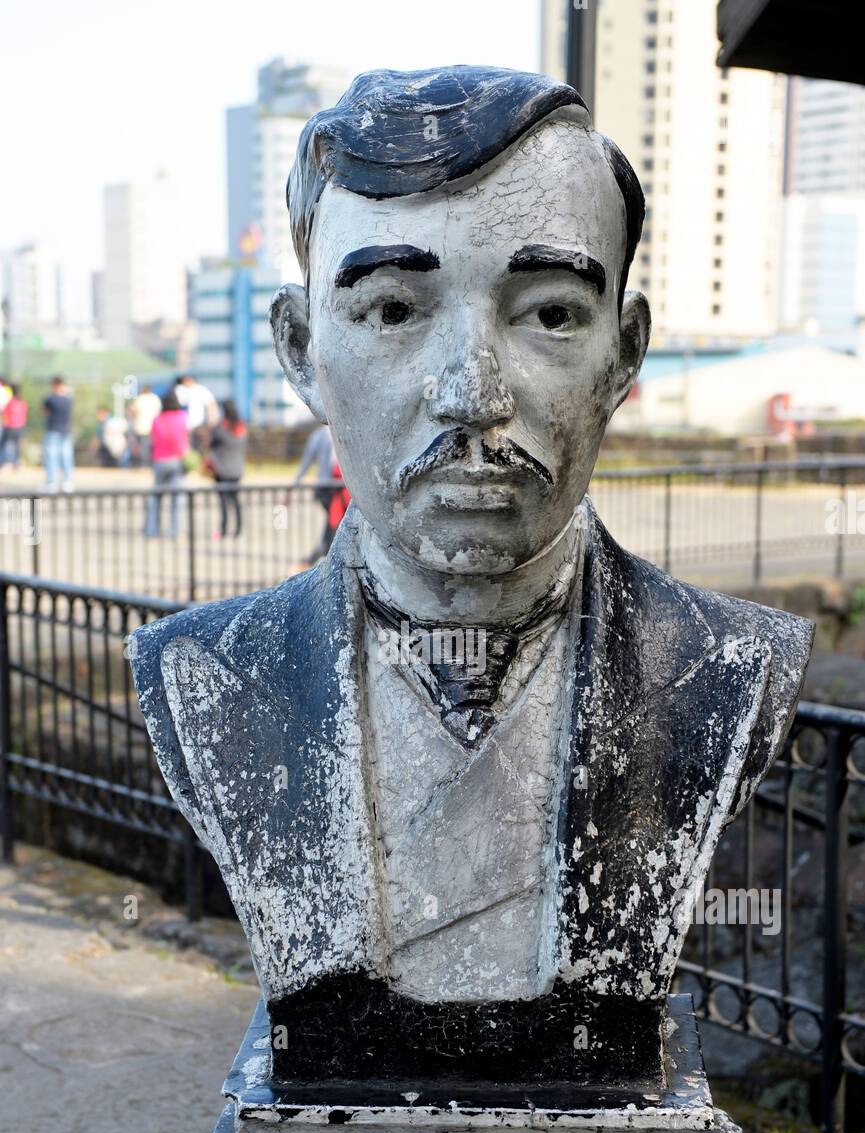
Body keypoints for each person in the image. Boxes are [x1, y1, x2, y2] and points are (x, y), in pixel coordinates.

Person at [130, 66, 812, 1031]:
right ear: (298, 349)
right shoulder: (202, 673)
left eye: (548, 313)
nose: (472, 393)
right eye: (394, 311)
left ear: (623, 354)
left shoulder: (728, 667)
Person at [144, 389, 188, 538]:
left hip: (160, 460)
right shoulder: (182, 417)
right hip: (177, 460)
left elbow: (153, 439)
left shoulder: (157, 419)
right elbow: (185, 439)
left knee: (156, 497)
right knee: (177, 498)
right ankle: (174, 530)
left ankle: (151, 529)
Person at [290, 422, 337, 561]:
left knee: (333, 523)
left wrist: (294, 484)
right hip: (333, 487)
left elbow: (306, 463)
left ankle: (321, 553)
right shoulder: (333, 434)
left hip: (325, 486)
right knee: (333, 523)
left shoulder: (318, 436)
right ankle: (321, 553)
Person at [205, 399, 247, 538]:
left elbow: (210, 443)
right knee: (235, 500)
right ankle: (238, 530)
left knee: (223, 501)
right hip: (237, 468)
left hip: (222, 469)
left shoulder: (220, 429)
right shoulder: (241, 428)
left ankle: (223, 530)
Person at [42, 376, 75, 492]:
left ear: (54, 385)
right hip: (66, 430)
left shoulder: (50, 399)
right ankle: (67, 482)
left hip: (52, 431)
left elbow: (43, 411)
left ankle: (52, 482)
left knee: (51, 457)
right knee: (66, 457)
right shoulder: (69, 399)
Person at [175, 373, 218, 453]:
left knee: (199, 447)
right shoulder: (180, 390)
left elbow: (211, 404)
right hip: (183, 426)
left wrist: (212, 419)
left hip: (197, 425)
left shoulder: (200, 390)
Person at [128, 384, 162, 465]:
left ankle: (145, 464)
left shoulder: (140, 399)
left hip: (142, 427)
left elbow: (133, 412)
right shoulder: (155, 398)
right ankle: (153, 463)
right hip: (155, 427)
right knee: (153, 447)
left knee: (144, 448)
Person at [1, 384, 28, 468]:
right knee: (17, 445)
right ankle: (17, 462)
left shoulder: (10, 402)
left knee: (3, 444)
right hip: (20, 426)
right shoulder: (22, 402)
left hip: (10, 426)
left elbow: (4, 413)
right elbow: (25, 414)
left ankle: (2, 462)